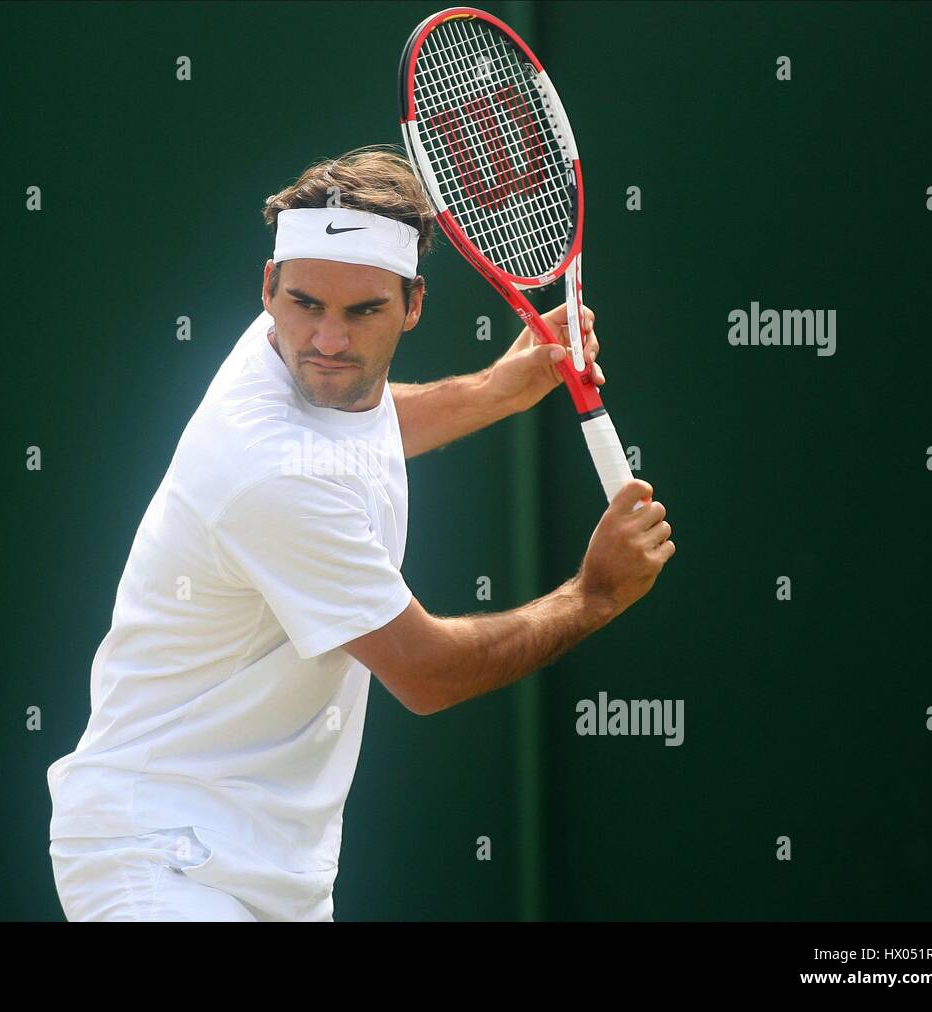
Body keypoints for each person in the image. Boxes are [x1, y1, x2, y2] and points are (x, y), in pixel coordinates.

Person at [46, 145, 675, 922]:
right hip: (160, 859)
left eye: (362, 311)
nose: (328, 340)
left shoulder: (296, 352)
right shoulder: (269, 472)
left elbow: (355, 428)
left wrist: (495, 391)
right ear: (270, 288)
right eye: (306, 304)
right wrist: (594, 594)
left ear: (413, 305)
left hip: (277, 868)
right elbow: (428, 673)